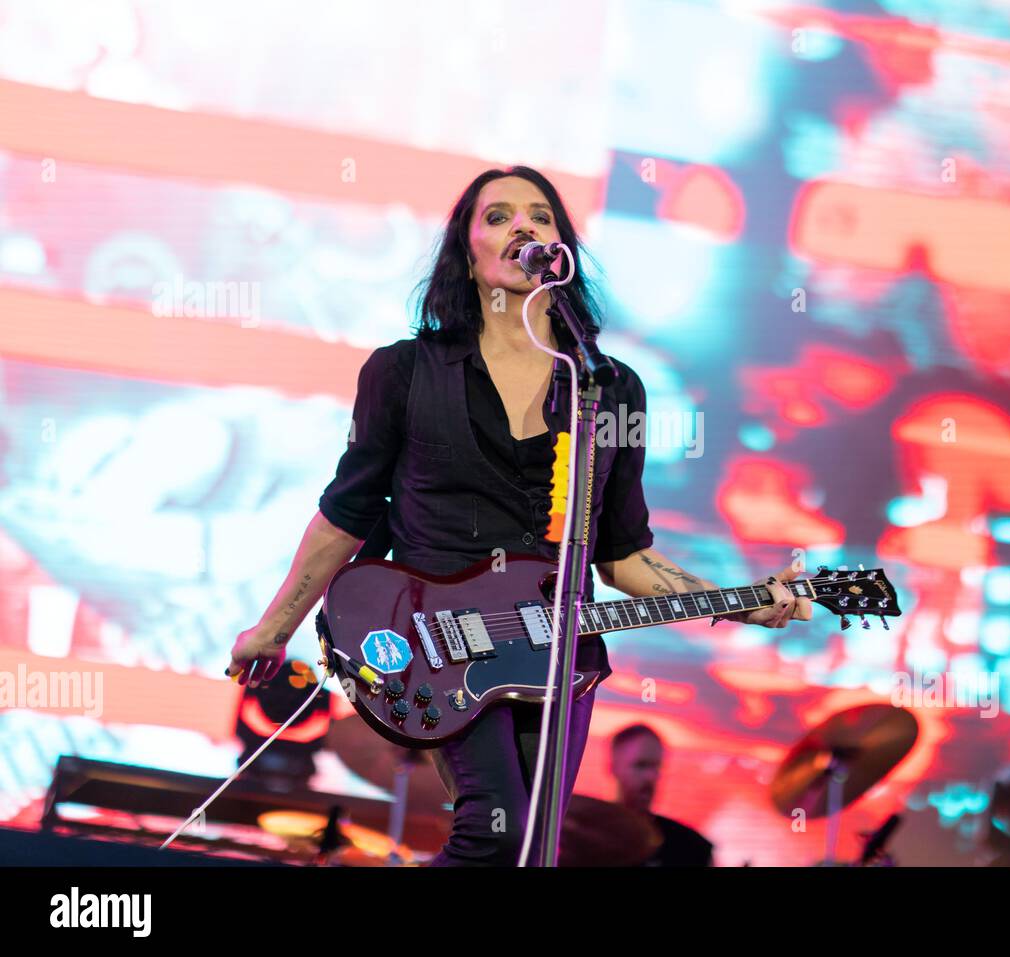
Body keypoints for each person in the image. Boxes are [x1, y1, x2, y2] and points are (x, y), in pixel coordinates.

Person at [225, 165, 812, 866]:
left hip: (558, 650)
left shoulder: (606, 385)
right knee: (494, 834)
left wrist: (743, 604)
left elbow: (623, 552)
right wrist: (276, 627)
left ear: (560, 248)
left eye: (540, 217)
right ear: (465, 253)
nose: (523, 228)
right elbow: (346, 512)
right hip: (438, 639)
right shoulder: (405, 371)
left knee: (534, 851)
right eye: (498, 217)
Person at [610, 723, 713, 866]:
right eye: (641, 765)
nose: (651, 776)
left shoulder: (691, 846)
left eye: (656, 766)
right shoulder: (584, 837)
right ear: (613, 766)